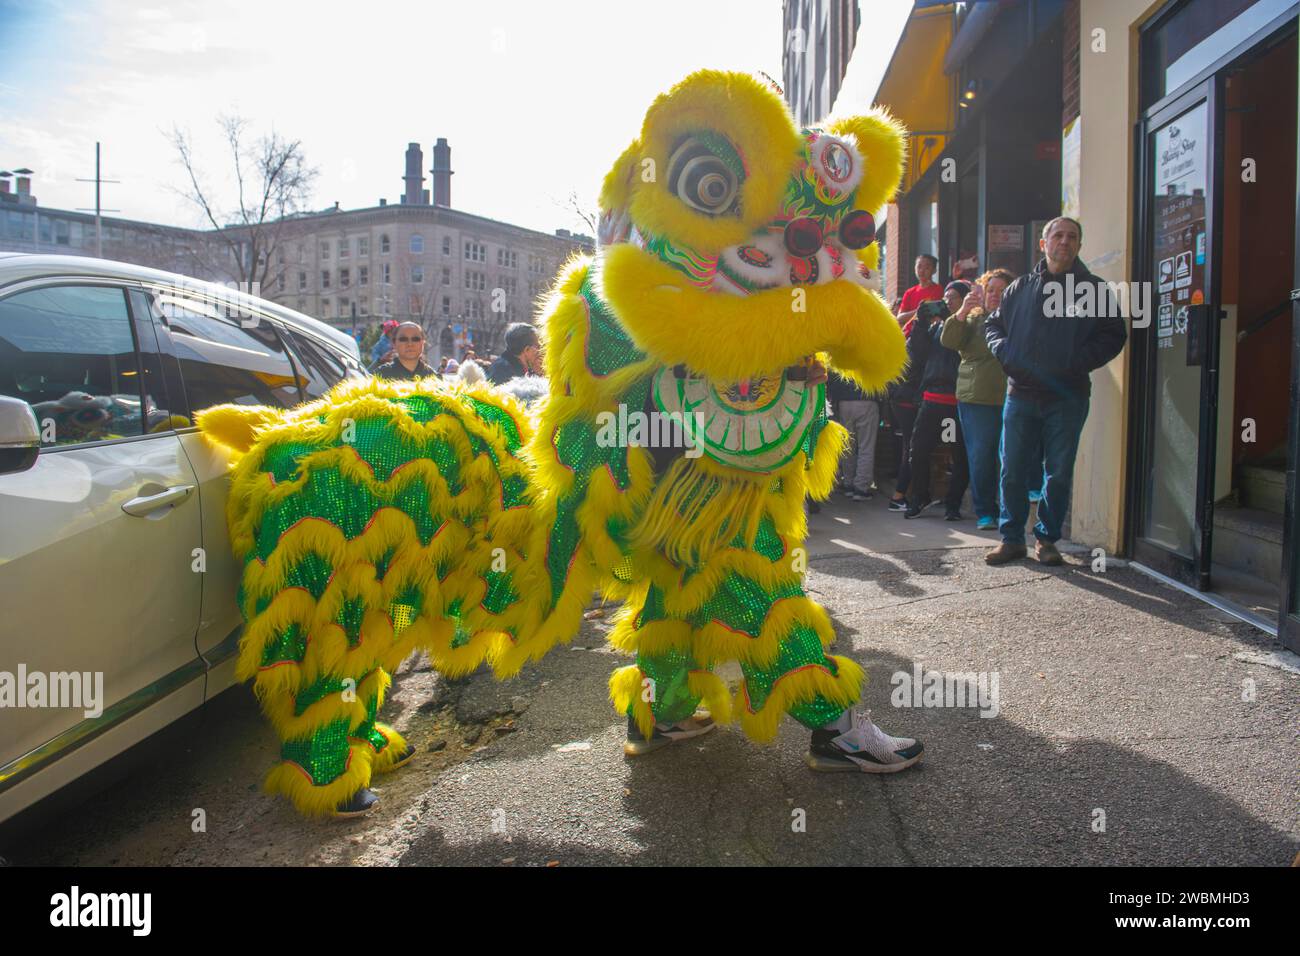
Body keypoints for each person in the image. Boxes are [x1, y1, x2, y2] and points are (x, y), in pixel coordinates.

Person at [984, 217, 1127, 566]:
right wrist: (1006, 354)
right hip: (1020, 394)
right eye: (1058, 235)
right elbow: (993, 325)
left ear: (1079, 245)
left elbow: (1113, 335)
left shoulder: (1094, 290)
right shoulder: (1019, 288)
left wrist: (1075, 362)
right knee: (1012, 468)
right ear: (1042, 243)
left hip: (1068, 395)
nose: (1065, 241)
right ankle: (1012, 538)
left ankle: (1047, 540)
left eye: (1072, 236)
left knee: (1058, 471)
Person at [940, 269, 1015, 530]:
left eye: (1003, 290)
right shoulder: (972, 320)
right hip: (977, 397)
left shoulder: (1016, 318)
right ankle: (986, 511)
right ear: (982, 293)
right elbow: (948, 341)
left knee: (1010, 456)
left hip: (1013, 395)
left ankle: (1009, 509)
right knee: (982, 455)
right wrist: (961, 312)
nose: (996, 295)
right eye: (991, 289)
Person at [903, 280, 970, 520]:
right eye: (946, 297)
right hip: (931, 401)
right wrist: (920, 323)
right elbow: (916, 354)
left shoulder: (969, 326)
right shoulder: (935, 327)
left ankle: (953, 504)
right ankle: (920, 496)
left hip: (955, 402)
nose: (947, 301)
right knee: (918, 451)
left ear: (965, 301)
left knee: (957, 455)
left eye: (953, 297)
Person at [828, 370, 878, 500]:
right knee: (866, 446)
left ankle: (848, 483)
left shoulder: (846, 350)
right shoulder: (874, 352)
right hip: (867, 399)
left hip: (844, 402)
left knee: (847, 444)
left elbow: (834, 376)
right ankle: (861, 488)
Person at [895, 253, 944, 325]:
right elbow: (899, 317)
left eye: (927, 268)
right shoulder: (909, 292)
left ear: (934, 270)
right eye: (919, 266)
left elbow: (937, 313)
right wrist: (919, 311)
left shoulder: (938, 290)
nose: (922, 271)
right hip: (909, 333)